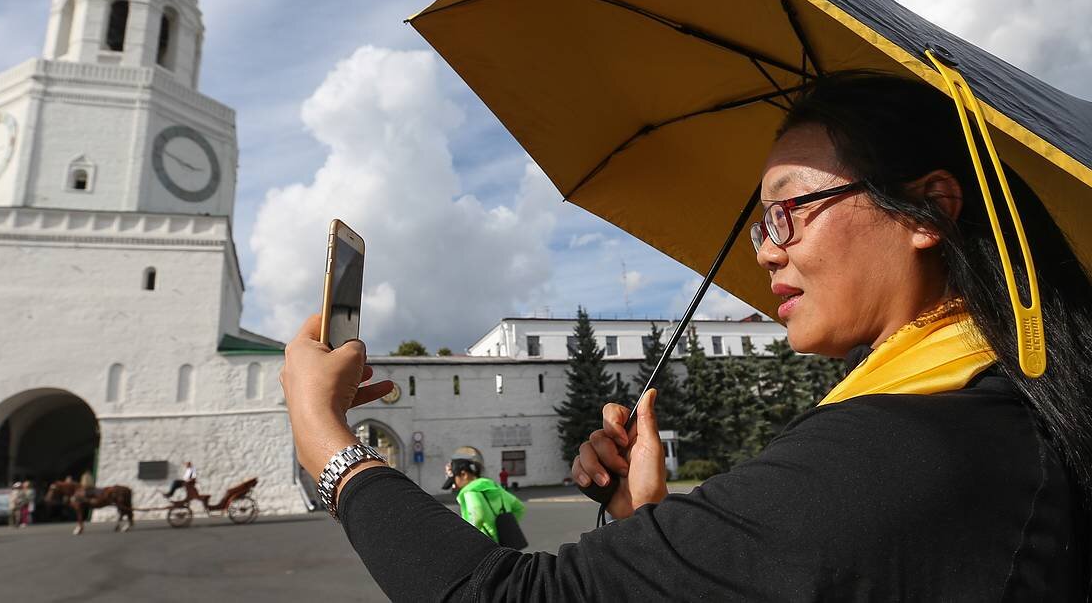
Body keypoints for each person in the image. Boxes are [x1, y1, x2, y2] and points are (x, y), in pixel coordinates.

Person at [279, 73, 1092, 600]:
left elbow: (502, 596)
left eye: (787, 210)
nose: (768, 247)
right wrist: (646, 529)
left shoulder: (902, 449)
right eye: (758, 224)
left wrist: (331, 447)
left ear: (931, 210)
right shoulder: (997, 406)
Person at [451, 454, 525, 545]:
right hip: (504, 541)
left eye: (454, 479)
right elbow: (519, 507)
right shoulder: (494, 486)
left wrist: (468, 538)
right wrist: (507, 527)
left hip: (485, 542)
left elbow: (477, 515)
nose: (454, 484)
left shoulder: (470, 491)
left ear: (464, 474)